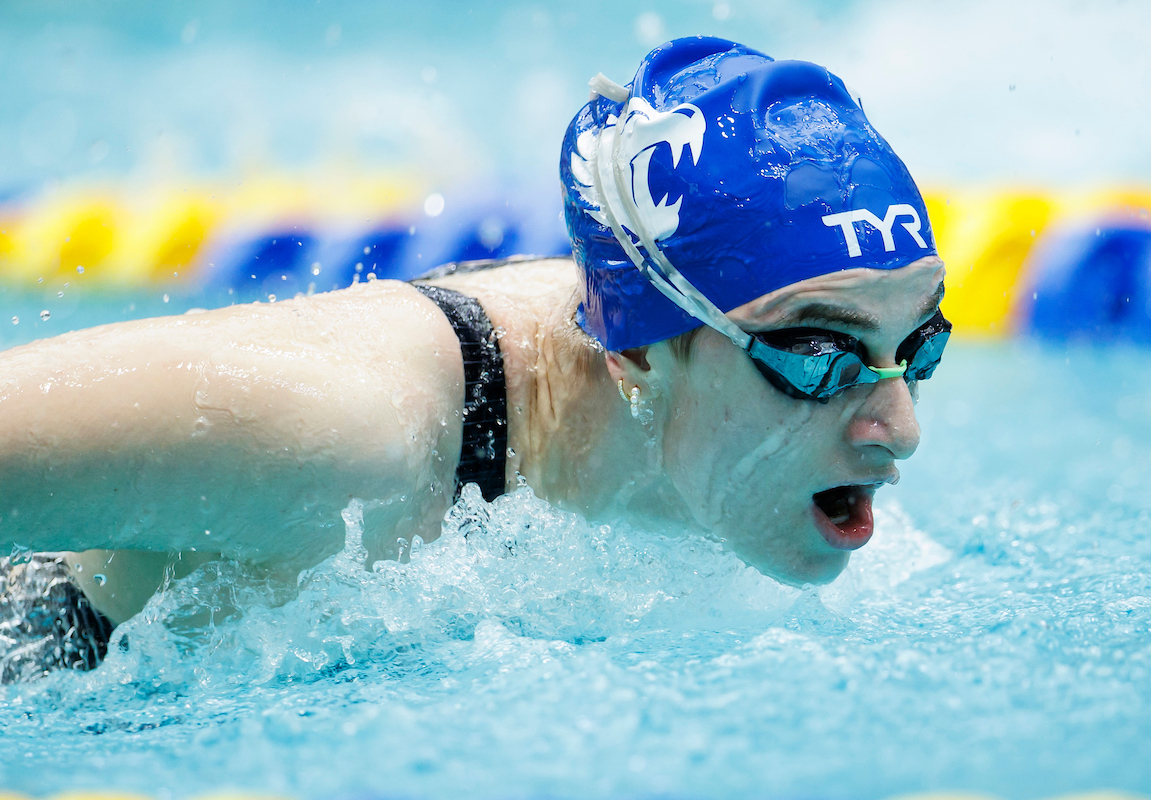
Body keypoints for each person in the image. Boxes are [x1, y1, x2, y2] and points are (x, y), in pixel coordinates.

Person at [0, 37, 949, 678]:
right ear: (643, 353)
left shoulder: (720, 428)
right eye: (822, 353)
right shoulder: (351, 438)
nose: (898, 429)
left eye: (917, 345)